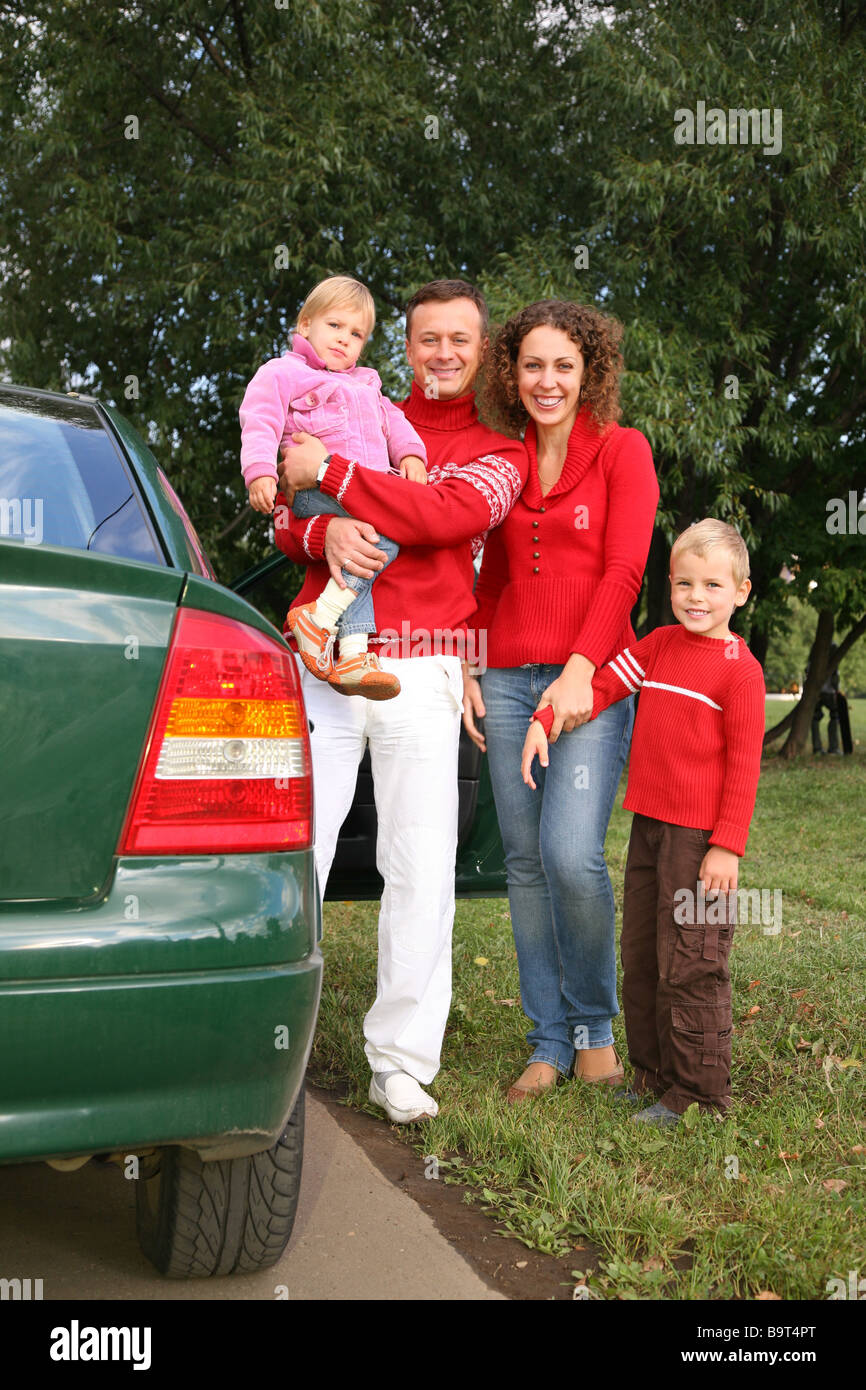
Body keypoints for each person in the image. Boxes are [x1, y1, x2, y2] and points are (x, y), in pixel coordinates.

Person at [274, 280, 529, 1123]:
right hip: (326, 657)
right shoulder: (349, 399)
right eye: (428, 340)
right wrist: (325, 530)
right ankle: (271, 1043)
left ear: (484, 350)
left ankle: (400, 1063)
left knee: (420, 868)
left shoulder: (505, 447)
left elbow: (445, 514)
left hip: (424, 667)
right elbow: (286, 504)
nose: (444, 353)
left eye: (461, 339)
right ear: (408, 346)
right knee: (295, 851)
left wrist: (337, 475)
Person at [462, 299, 659, 1103]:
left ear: (590, 373)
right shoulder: (501, 460)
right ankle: (545, 1042)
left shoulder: (623, 451)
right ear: (512, 373)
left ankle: (594, 1036)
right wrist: (471, 664)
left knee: (572, 855)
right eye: (533, 365)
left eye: (564, 366)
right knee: (524, 864)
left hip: (593, 681)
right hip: (507, 678)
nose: (548, 381)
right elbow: (491, 579)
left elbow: (625, 571)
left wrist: (580, 671)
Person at [522, 519, 766, 1126]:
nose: (696, 597)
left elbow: (744, 767)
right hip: (650, 831)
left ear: (741, 591)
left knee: (693, 961)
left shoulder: (741, 670)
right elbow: (602, 687)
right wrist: (549, 713)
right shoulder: (657, 645)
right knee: (643, 955)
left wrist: (727, 847)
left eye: (713, 584)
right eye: (684, 583)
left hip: (701, 840)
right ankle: (653, 1077)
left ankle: (700, 1095)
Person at [240, 275, 428, 699]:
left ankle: (354, 656)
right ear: (305, 326)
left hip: (363, 493)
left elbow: (395, 423)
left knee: (364, 550)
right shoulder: (285, 372)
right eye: (334, 326)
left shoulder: (367, 384)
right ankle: (319, 619)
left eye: (356, 333)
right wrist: (260, 472)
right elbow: (261, 418)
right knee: (386, 540)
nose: (345, 340)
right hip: (318, 490)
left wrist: (411, 456)